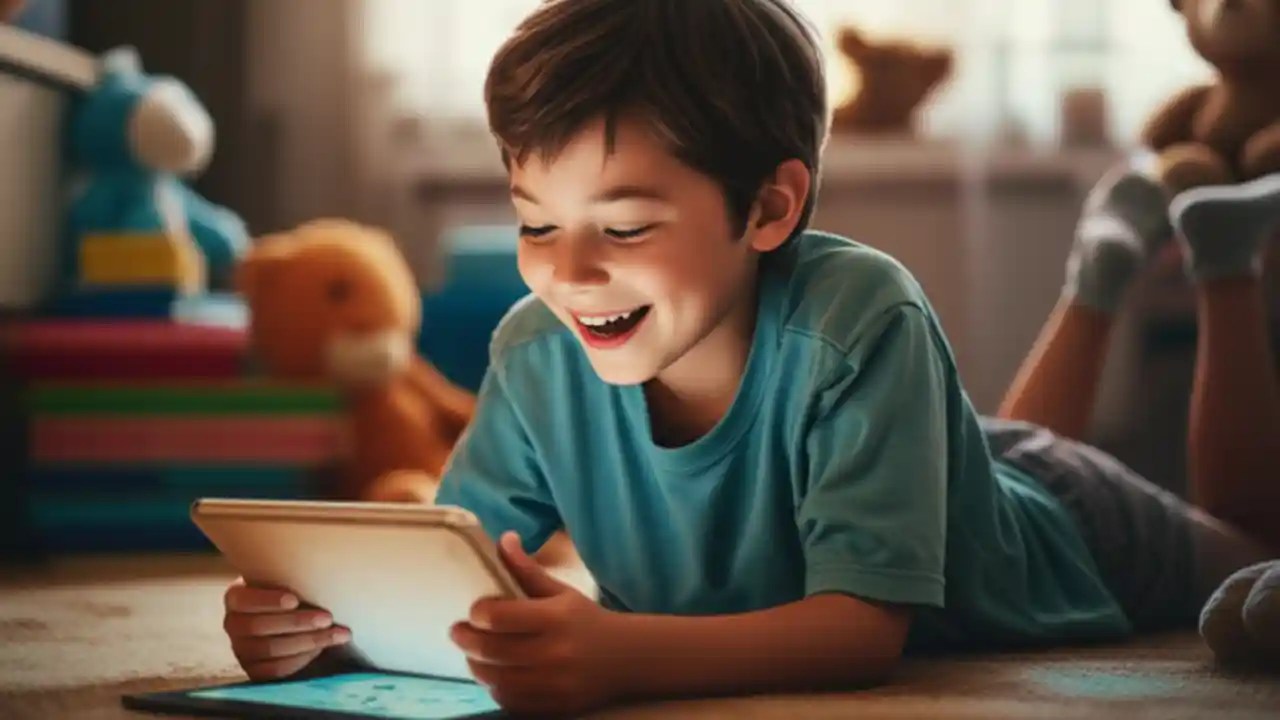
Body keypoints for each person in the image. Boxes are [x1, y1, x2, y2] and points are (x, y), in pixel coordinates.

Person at [220, 1, 1278, 715]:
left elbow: (860, 632)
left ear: (768, 208)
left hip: (1064, 526)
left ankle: (1204, 258)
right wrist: (324, 627)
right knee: (998, 443)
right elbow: (461, 566)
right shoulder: (534, 351)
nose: (568, 273)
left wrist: (622, 658)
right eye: (535, 223)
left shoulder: (860, 315)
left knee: (1248, 558)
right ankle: (1095, 270)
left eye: (623, 229)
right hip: (925, 456)